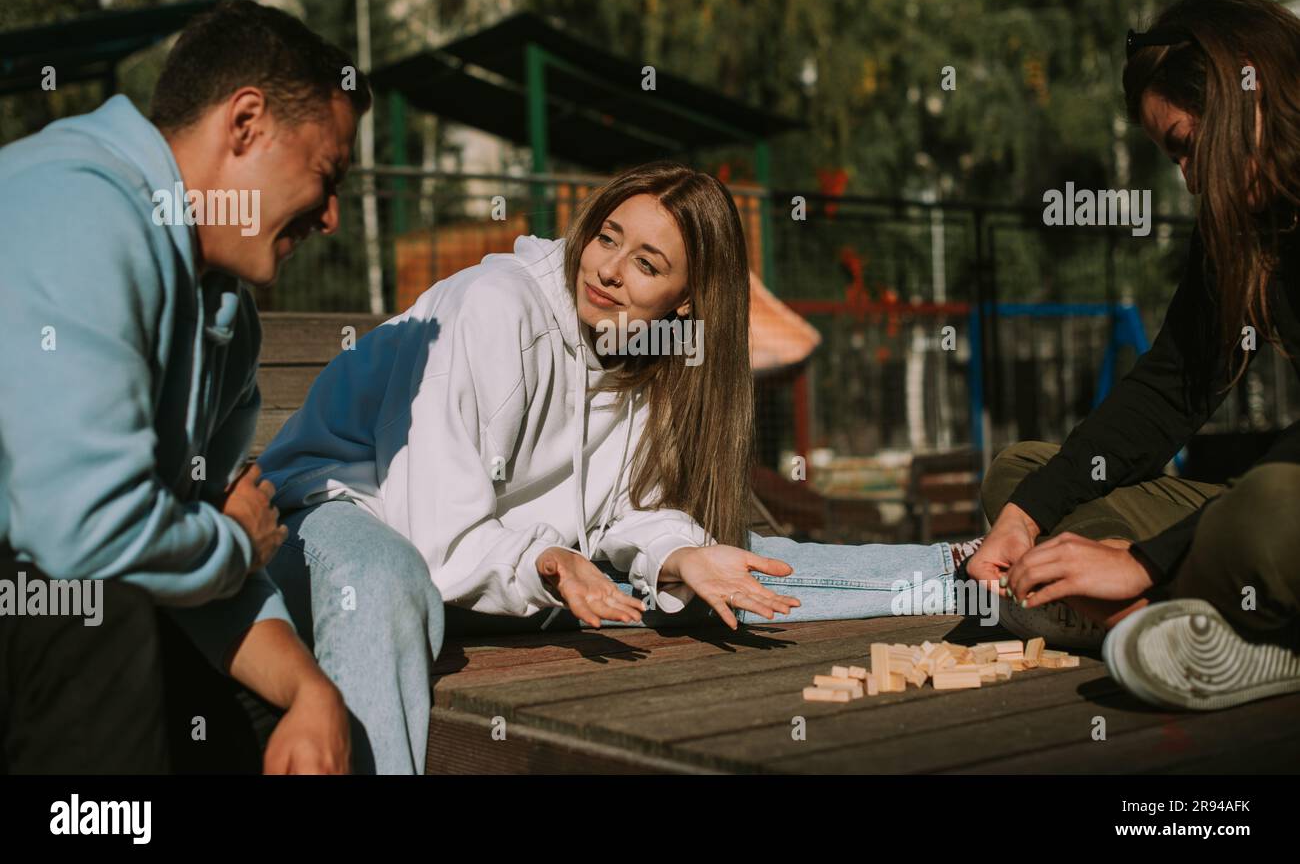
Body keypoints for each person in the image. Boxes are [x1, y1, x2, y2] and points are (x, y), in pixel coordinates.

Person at [258, 160, 980, 774]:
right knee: (382, 577)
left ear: (686, 300)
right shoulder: (495, 308)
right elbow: (433, 539)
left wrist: (675, 554)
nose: (607, 269)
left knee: (730, 565)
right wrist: (547, 558)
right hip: (337, 521)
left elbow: (631, 510)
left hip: (503, 570)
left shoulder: (649, 357)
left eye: (646, 263)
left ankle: (962, 573)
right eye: (608, 237)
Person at [0, 0, 369, 772]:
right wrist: (233, 541)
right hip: (53, 601)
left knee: (278, 717)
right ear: (245, 124)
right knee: (98, 609)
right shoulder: (82, 207)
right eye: (325, 174)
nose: (333, 216)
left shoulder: (224, 316)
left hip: (56, 603)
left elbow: (183, 559)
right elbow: (90, 536)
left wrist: (311, 695)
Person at [970, 0, 1300, 710]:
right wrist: (1026, 517)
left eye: (1184, 144)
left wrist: (1146, 557)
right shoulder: (1242, 227)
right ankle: (1189, 624)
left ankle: (1167, 615)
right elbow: (1169, 390)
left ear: (1248, 86)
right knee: (1022, 475)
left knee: (1270, 509)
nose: (1186, 176)